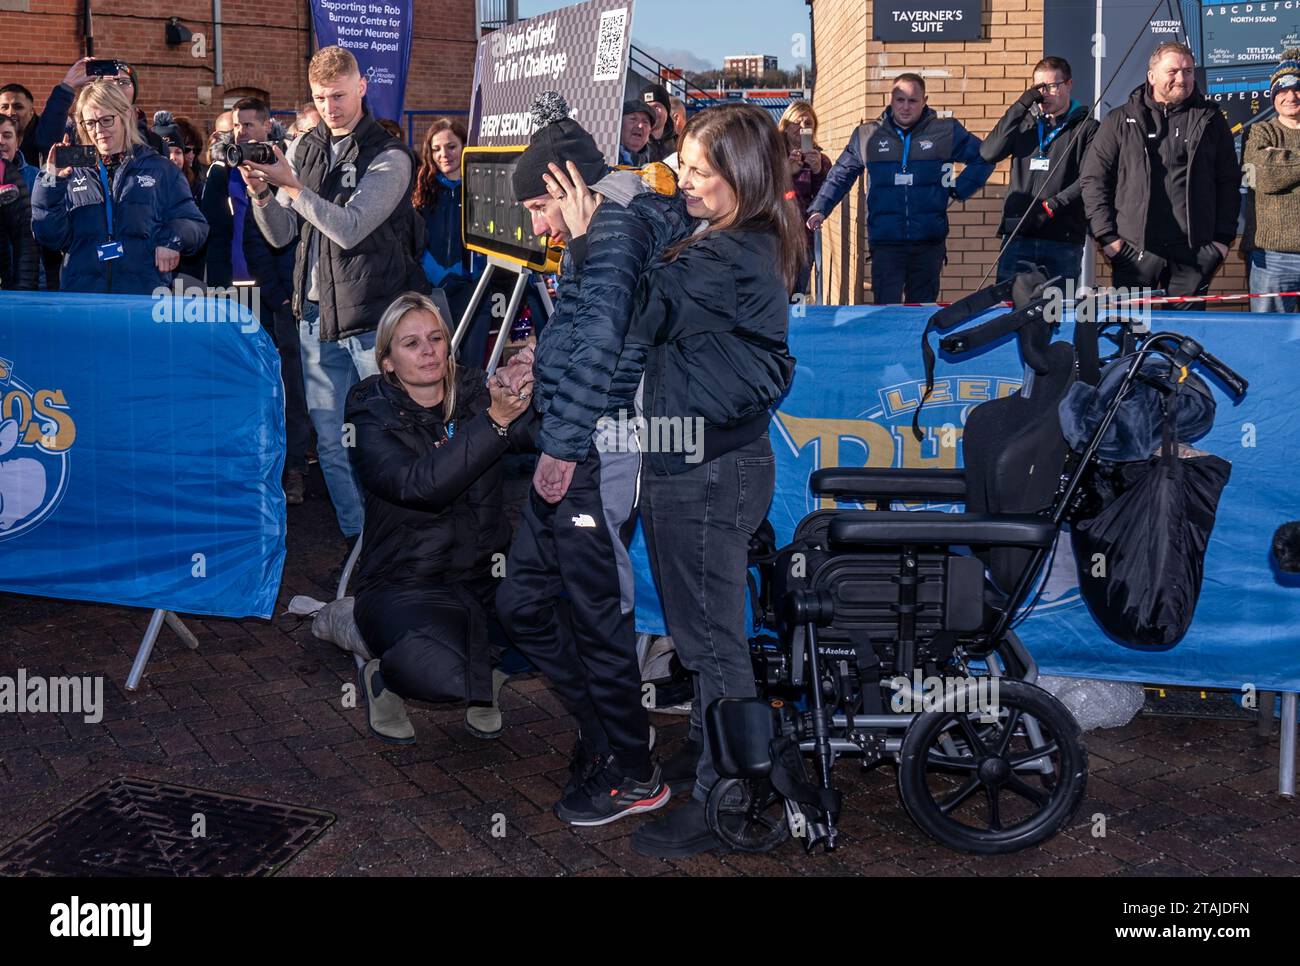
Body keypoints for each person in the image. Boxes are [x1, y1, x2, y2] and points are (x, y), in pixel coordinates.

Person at [496, 91, 693, 827]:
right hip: (579, 438)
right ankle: (610, 733)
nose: (532, 225)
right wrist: (536, 358)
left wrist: (559, 446)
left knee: (597, 613)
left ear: (561, 186)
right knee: (523, 601)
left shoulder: (612, 227)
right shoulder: (596, 231)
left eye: (535, 208)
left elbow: (609, 347)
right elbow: (585, 332)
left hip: (599, 447)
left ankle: (635, 771)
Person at [616, 102, 798, 858]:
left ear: (742, 179)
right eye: (683, 165)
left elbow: (639, 306)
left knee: (713, 640)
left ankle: (728, 791)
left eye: (697, 170)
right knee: (701, 635)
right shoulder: (730, 237)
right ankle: (713, 745)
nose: (681, 179)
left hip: (706, 466)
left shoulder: (728, 256)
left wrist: (597, 230)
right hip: (699, 455)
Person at [244, 45, 428, 565]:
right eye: (322, 98)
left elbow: (349, 228)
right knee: (330, 442)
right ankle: (361, 543)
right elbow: (281, 236)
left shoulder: (389, 154)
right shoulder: (305, 148)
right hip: (315, 318)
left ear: (362, 86)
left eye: (341, 95)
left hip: (373, 319)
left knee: (391, 438)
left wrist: (293, 187)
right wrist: (262, 194)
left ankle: (405, 542)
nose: (332, 107)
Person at [346, 291, 535, 742]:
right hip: (404, 580)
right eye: (411, 344)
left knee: (569, 619)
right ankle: (383, 677)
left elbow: (535, 433)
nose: (428, 350)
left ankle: (485, 677)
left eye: (435, 337)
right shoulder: (369, 412)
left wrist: (532, 381)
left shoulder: (477, 391)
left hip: (483, 573)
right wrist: (494, 424)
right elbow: (420, 486)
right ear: (387, 360)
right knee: (439, 675)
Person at [204, 96, 312, 505]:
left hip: (276, 297)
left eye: (250, 124)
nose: (242, 132)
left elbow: (284, 239)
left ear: (268, 127)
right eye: (237, 125)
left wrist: (283, 296)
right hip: (232, 296)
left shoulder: (284, 170)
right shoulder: (220, 173)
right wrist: (215, 291)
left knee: (288, 386)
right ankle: (249, 467)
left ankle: (294, 468)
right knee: (242, 385)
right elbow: (212, 235)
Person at [806, 73, 994, 304]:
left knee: (921, 313)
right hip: (886, 243)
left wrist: (959, 189)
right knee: (886, 312)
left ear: (925, 100)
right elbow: (840, 175)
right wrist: (820, 208)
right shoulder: (867, 136)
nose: (906, 107)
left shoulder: (946, 131)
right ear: (891, 99)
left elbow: (984, 157)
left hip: (928, 243)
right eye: (900, 100)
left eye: (913, 101)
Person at [1081, 42, 1241, 309]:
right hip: (1134, 251)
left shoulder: (1211, 119)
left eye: (1188, 71)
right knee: (1130, 333)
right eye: (1173, 71)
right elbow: (1094, 180)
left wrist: (1220, 243)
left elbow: (1228, 181)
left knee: (1183, 340)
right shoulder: (1120, 120)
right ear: (1152, 75)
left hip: (1194, 253)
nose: (1182, 78)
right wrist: (1109, 239)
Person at [31, 80, 208, 295]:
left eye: (106, 120)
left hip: (142, 297)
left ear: (125, 116)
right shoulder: (70, 171)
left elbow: (196, 224)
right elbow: (49, 236)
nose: (98, 130)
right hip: (84, 298)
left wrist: (171, 241)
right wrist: (51, 182)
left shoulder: (160, 169)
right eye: (90, 123)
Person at [981, 56, 1098, 285]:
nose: (1044, 93)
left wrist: (1053, 205)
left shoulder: (1087, 128)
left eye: (1052, 86)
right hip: (1018, 236)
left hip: (1062, 240)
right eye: (1038, 87)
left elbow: (1090, 179)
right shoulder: (1025, 124)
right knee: (1010, 312)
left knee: (1058, 312)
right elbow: (988, 152)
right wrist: (1020, 106)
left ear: (1069, 85)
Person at [1243, 49, 1300, 312]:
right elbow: (1264, 176)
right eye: (1282, 90)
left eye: (1298, 88)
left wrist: (1282, 160)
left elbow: (1277, 171)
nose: (1291, 96)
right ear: (1273, 95)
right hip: (1274, 258)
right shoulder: (1260, 131)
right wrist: (1272, 165)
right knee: (1269, 341)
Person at [37, 58, 165, 156]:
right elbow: (47, 143)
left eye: (123, 82)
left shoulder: (154, 142)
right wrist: (67, 86)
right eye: (109, 82)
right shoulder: (82, 130)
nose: (116, 86)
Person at [777, 100, 831, 295]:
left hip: (803, 240)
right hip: (774, 236)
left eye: (807, 123)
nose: (801, 127)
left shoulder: (821, 160)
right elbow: (763, 190)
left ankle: (795, 326)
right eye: (796, 122)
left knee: (798, 294)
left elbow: (825, 199)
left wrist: (818, 171)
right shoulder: (773, 156)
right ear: (784, 125)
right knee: (774, 295)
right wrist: (786, 171)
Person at [0, 115, 37, 290]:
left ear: (18, 141)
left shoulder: (38, 178)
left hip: (31, 280)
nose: (0, 142)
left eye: (7, 136)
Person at [0, 83, 41, 172]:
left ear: (31, 113)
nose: (10, 112)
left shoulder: (44, 141)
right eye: (4, 107)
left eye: (18, 107)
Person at [639, 84, 676, 162]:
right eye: (647, 107)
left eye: (656, 107)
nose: (651, 112)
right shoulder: (632, 144)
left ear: (667, 110)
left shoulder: (680, 143)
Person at [619, 99, 654, 166]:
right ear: (620, 124)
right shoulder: (606, 158)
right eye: (633, 119)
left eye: (645, 122)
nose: (640, 126)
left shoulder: (654, 163)